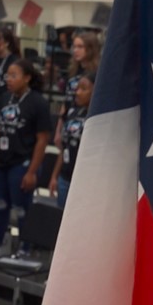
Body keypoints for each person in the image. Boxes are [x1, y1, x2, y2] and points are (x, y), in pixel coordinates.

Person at [0, 60, 51, 257]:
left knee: (21, 207)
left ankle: (25, 248)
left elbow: (42, 140)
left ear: (27, 78)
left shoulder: (38, 103)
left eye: (14, 75)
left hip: (21, 162)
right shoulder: (5, 98)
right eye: (7, 76)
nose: (9, 80)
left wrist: (32, 171)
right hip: (0, 160)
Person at [50, 71, 94, 210]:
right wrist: (54, 176)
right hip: (65, 176)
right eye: (77, 89)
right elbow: (64, 148)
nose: (78, 92)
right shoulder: (74, 112)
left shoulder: (98, 119)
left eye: (83, 89)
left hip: (84, 181)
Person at [58, 32, 100, 126]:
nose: (75, 50)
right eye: (74, 47)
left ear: (90, 48)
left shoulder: (97, 74)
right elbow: (66, 101)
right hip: (69, 119)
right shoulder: (73, 71)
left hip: (86, 121)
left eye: (80, 47)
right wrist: (59, 128)